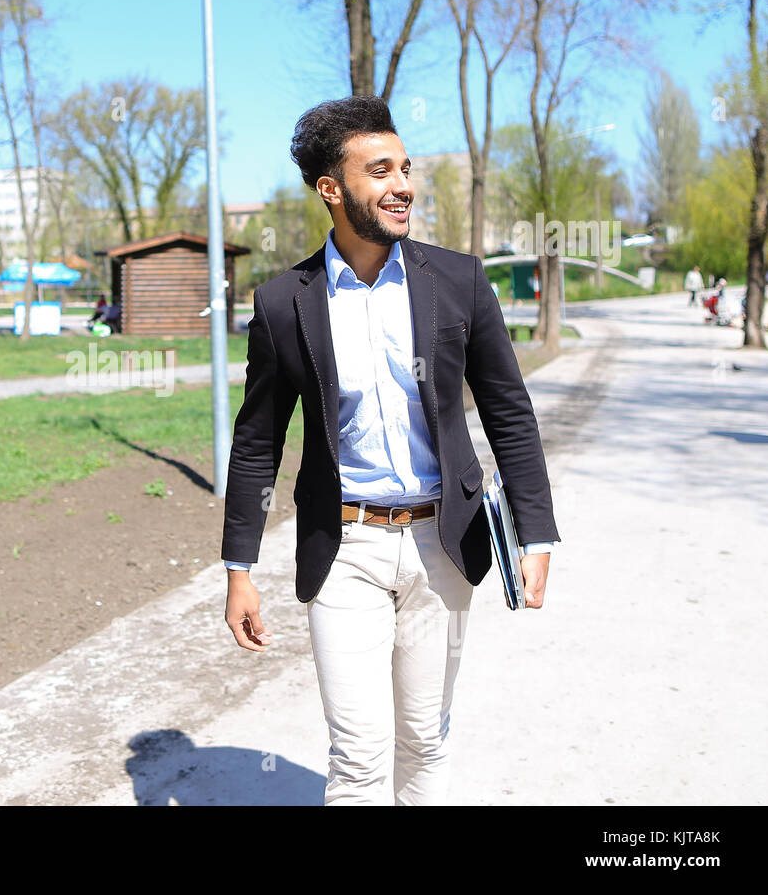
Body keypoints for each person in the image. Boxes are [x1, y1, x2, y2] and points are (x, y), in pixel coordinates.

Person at [220, 96, 559, 806]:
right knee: (358, 761)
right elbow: (256, 441)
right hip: (343, 548)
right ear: (331, 189)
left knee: (425, 740)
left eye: (405, 168)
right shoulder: (284, 303)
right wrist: (240, 568)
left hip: (445, 542)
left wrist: (537, 532)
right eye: (381, 171)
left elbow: (509, 413)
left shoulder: (461, 281)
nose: (403, 184)